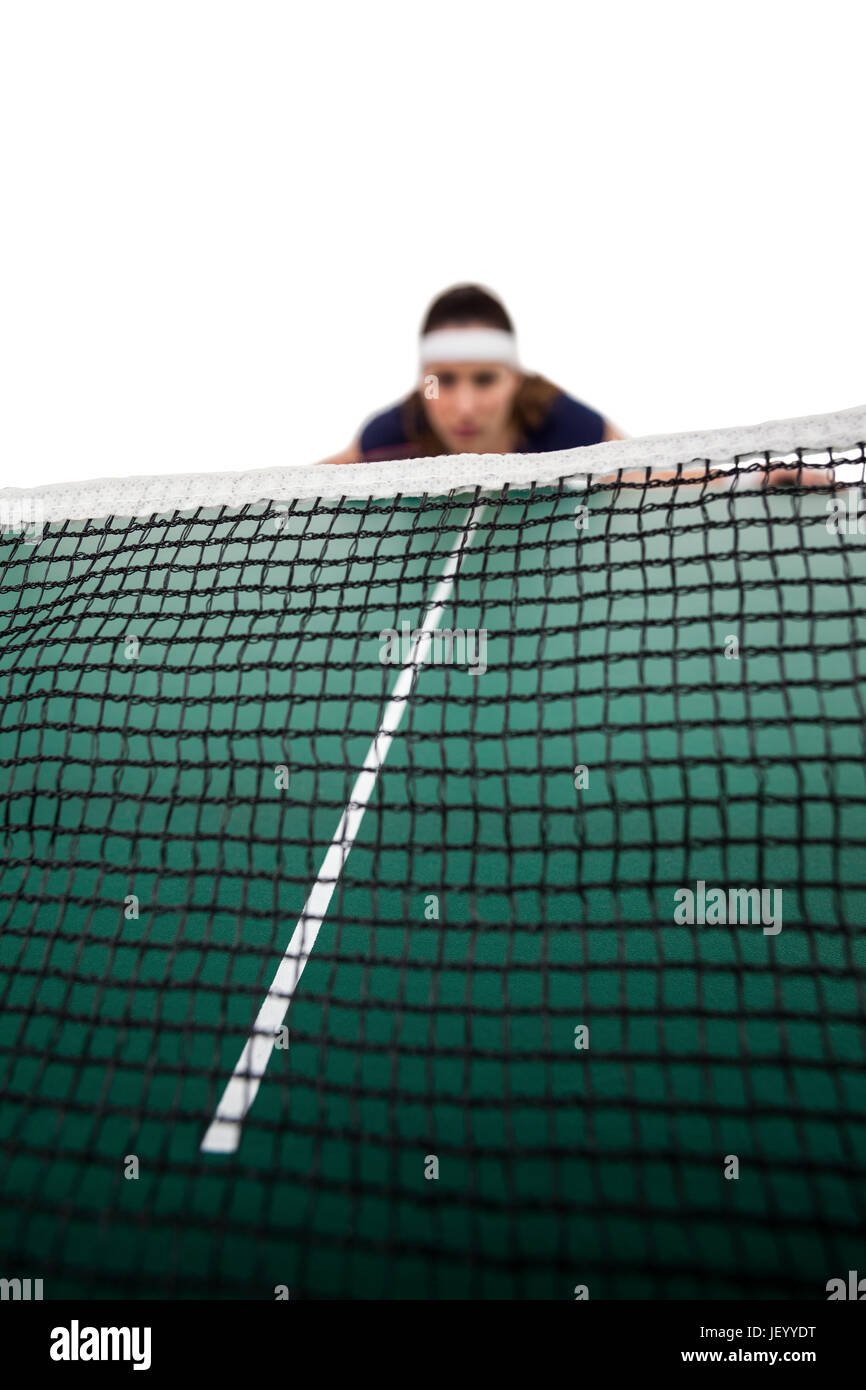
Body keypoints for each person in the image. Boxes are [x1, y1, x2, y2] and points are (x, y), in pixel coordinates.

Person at [318, 283, 625, 465]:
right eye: (444, 380)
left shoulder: (572, 430)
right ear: (425, 382)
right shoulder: (387, 439)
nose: (465, 408)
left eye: (485, 379)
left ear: (515, 380)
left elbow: (656, 478)